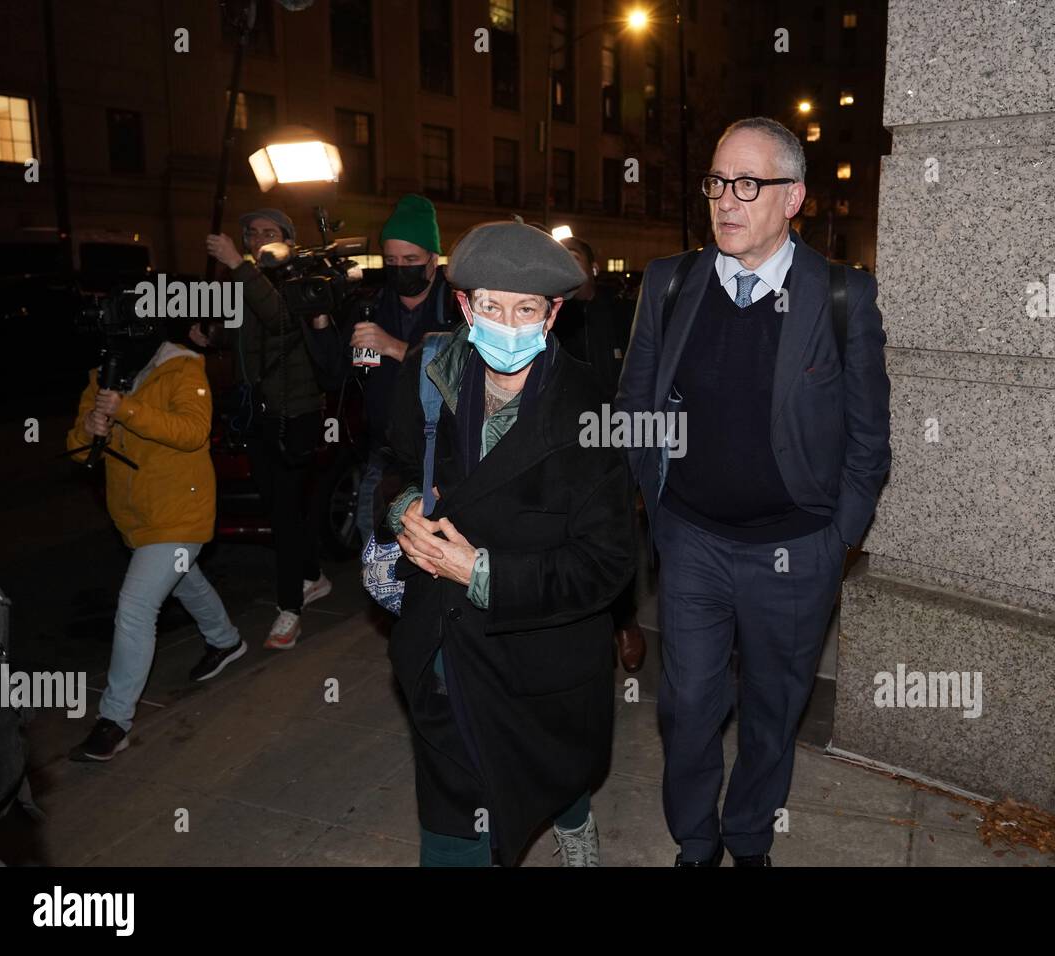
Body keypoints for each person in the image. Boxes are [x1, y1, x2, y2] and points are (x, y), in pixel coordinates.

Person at [615, 117, 892, 866]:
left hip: (797, 550)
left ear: (793, 196)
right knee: (689, 706)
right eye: (715, 183)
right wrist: (661, 514)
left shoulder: (841, 297)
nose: (725, 201)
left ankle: (748, 838)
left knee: (772, 714)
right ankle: (696, 843)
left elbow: (870, 438)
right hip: (694, 542)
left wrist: (838, 537)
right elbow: (635, 405)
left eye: (748, 184)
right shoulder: (670, 283)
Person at [376, 219, 636, 866]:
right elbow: (392, 465)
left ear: (552, 315)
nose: (507, 324)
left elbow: (606, 566)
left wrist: (482, 571)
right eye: (490, 305)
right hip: (444, 642)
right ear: (464, 304)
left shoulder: (593, 414)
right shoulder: (429, 371)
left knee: (545, 763)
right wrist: (405, 508)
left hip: (537, 649)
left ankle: (571, 809)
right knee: (455, 821)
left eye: (526, 309)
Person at [66, 323, 244, 761]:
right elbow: (77, 450)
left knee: (136, 606)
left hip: (181, 513)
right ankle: (225, 640)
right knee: (185, 579)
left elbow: (191, 432)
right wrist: (90, 428)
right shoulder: (103, 374)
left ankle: (115, 720)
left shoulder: (181, 367)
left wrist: (127, 410)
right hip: (135, 517)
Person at [206, 209, 331, 651]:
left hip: (294, 413)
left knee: (283, 512)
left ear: (289, 241)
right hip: (257, 412)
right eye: (252, 233)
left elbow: (279, 319)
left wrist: (237, 266)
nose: (258, 239)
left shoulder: (297, 277)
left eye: (270, 233)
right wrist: (214, 334)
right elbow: (247, 335)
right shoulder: (251, 280)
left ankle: (289, 609)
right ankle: (312, 576)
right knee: (279, 504)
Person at [304, 194, 452, 544]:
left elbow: (465, 374)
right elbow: (333, 375)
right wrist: (321, 321)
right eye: (392, 260)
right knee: (375, 542)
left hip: (445, 457)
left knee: (436, 547)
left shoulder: (456, 306)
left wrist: (397, 349)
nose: (401, 267)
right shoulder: (370, 307)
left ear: (433, 259)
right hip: (384, 454)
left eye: (411, 259)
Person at [553, 234, 646, 673]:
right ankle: (584, 626)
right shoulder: (550, 315)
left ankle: (625, 622)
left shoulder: (624, 312)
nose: (567, 268)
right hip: (566, 445)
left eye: (574, 259)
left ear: (591, 267)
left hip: (616, 442)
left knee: (617, 533)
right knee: (571, 533)